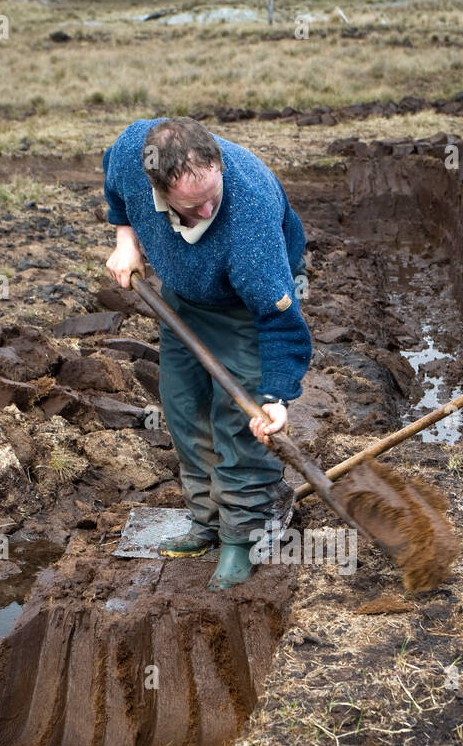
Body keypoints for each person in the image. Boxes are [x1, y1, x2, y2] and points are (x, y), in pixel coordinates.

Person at [103, 115, 311, 589]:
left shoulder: (250, 224)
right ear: (157, 185)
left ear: (218, 161)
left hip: (245, 304)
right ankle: (206, 521)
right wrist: (126, 240)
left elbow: (280, 321)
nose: (205, 210)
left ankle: (240, 536)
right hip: (183, 292)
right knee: (182, 407)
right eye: (192, 205)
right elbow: (113, 179)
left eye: (212, 198)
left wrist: (275, 398)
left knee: (238, 420)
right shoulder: (137, 150)